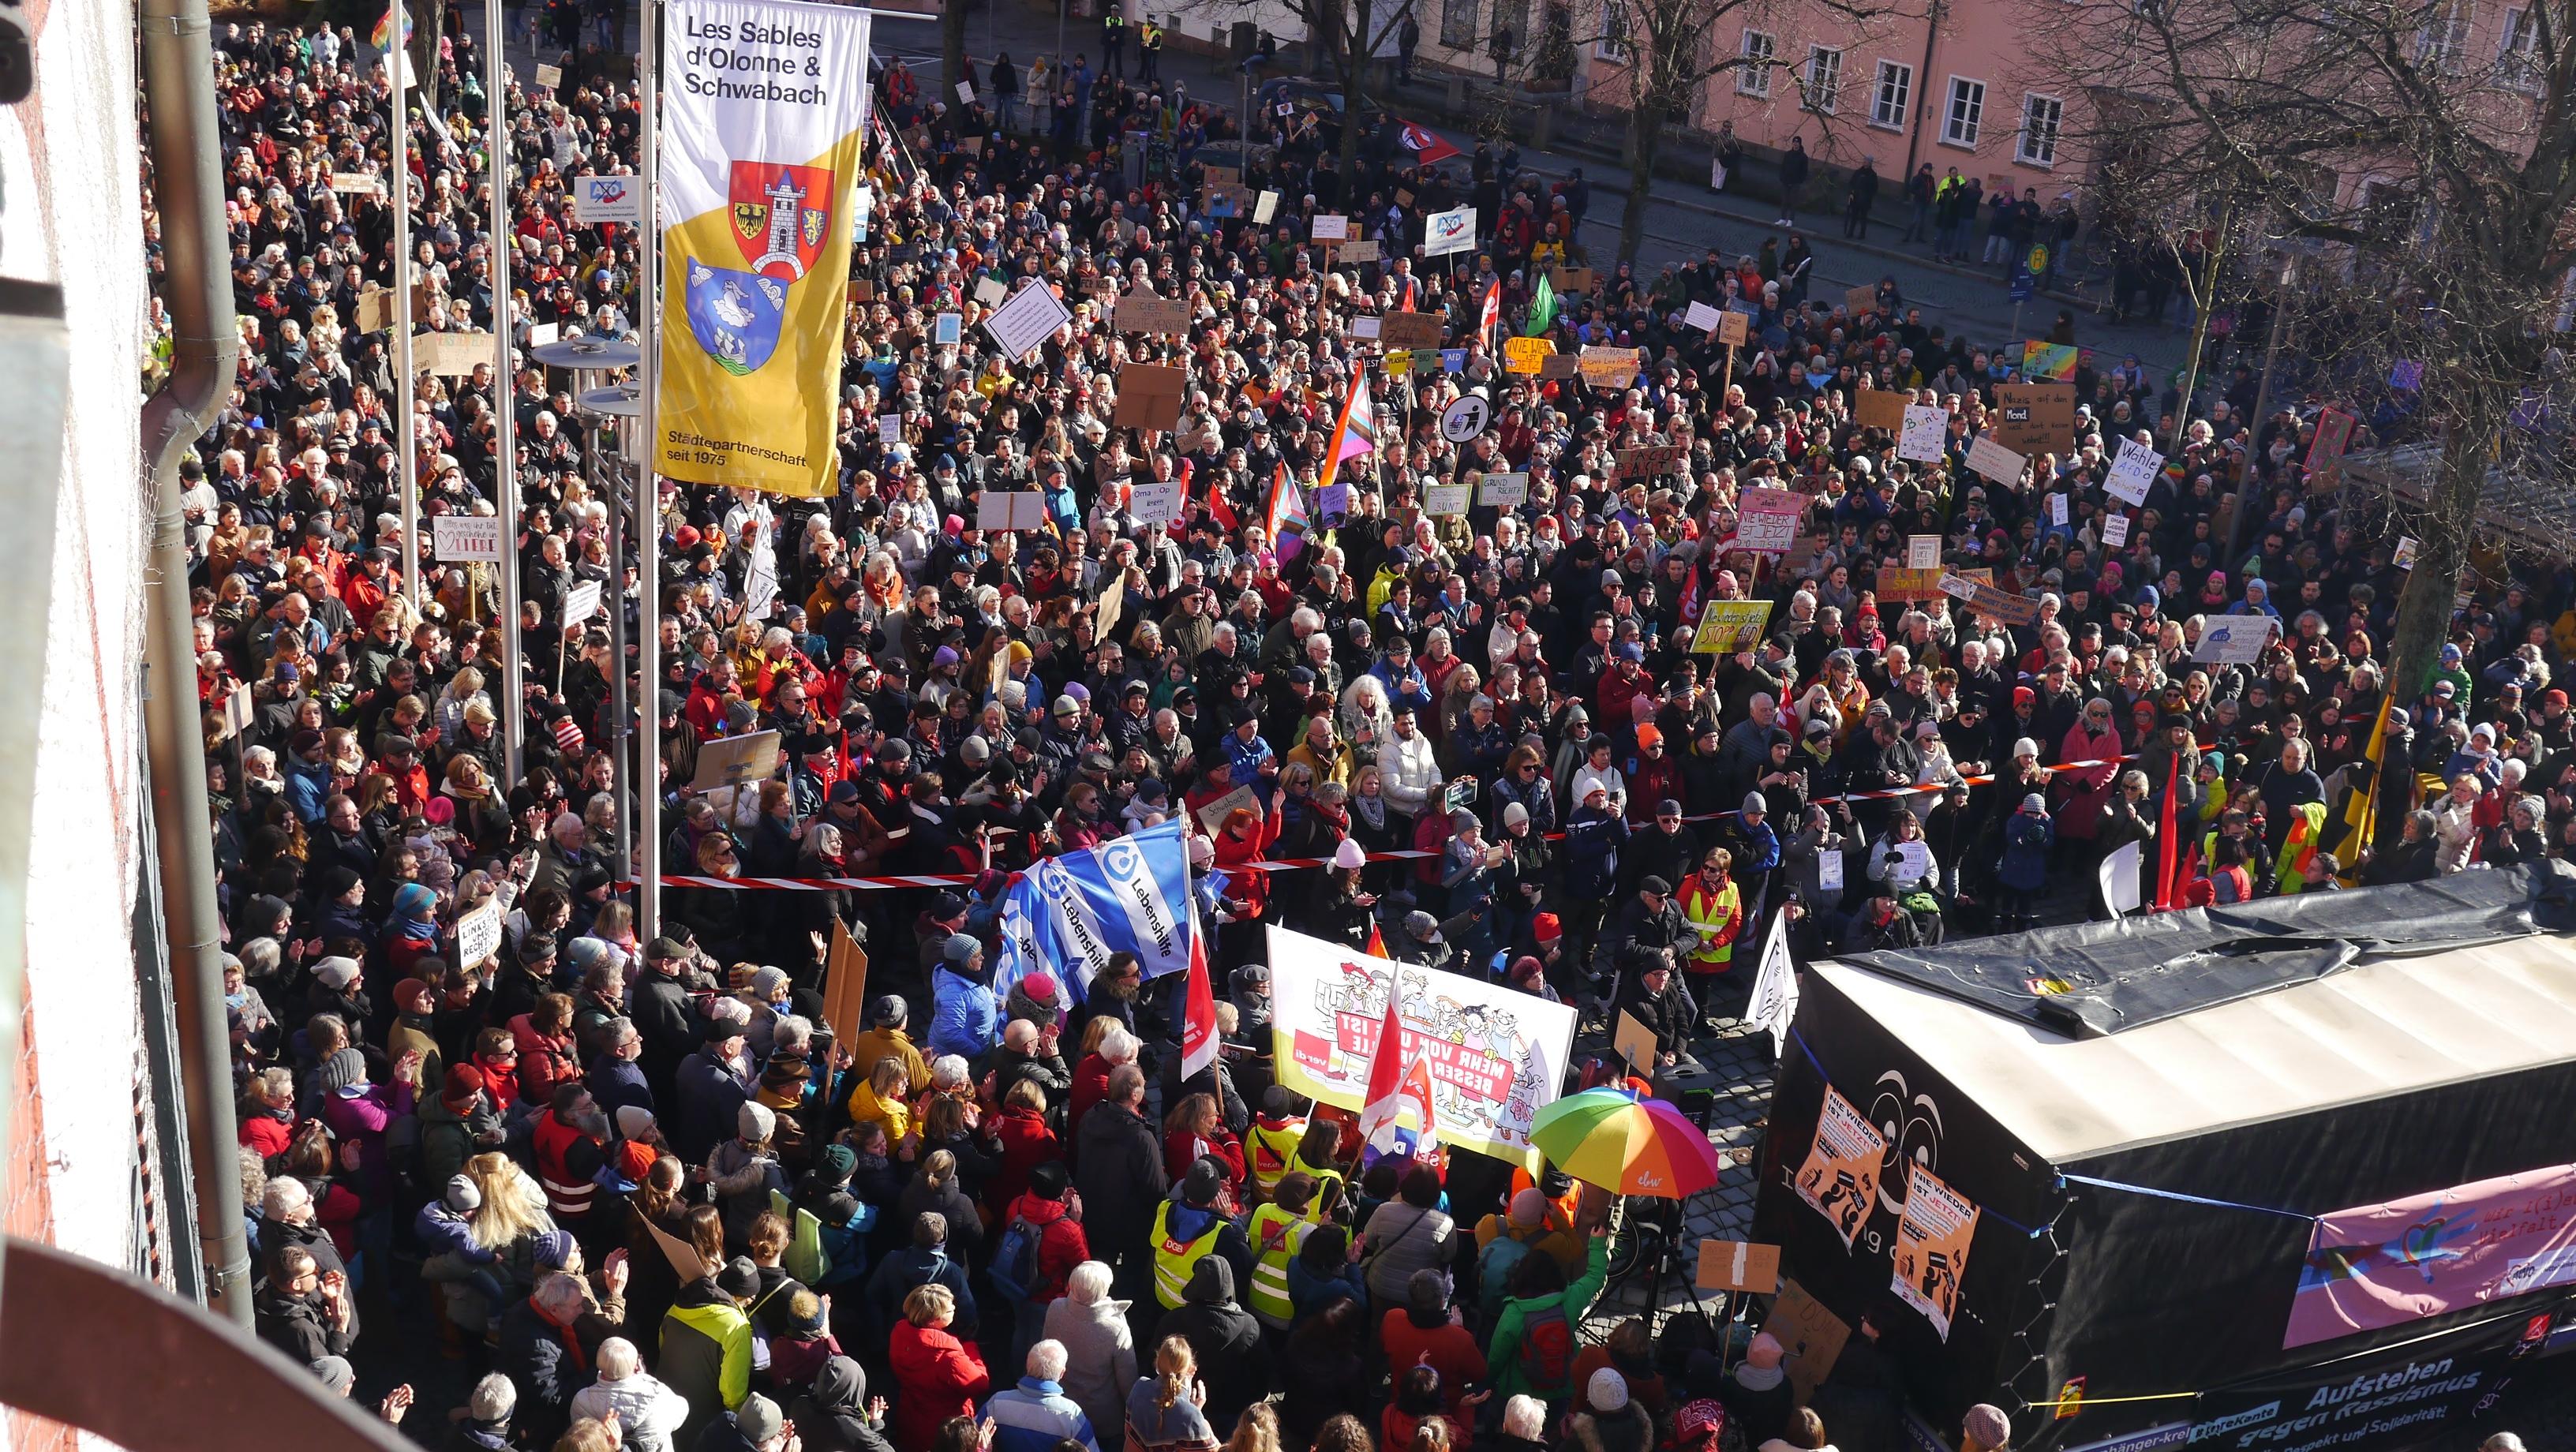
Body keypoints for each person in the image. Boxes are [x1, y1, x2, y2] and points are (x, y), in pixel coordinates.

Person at [1488, 1225, 1612, 1404]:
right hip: (1563, 1387)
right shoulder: (1572, 1298)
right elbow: (1596, 1276)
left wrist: (1490, 1380)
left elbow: (1497, 1356)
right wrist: (1598, 1243)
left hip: (1521, 1394)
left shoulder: (1515, 1313)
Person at [889, 1283, 991, 1450]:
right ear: (933, 1319)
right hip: (944, 1428)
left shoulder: (899, 1333)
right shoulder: (949, 1357)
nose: (954, 1309)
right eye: (949, 1310)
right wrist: (970, 1347)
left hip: (910, 1416)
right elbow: (980, 1384)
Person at [987, 1340, 1104, 1452]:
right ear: (1062, 1373)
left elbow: (971, 1438)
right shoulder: (1071, 1414)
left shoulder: (997, 1402)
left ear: (1028, 1366)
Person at [1126, 1337, 1223, 1452]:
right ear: (1190, 1369)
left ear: (1157, 1364)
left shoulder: (1139, 1389)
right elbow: (1215, 1450)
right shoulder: (1191, 1416)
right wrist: (1198, 1413)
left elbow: (1129, 1435)